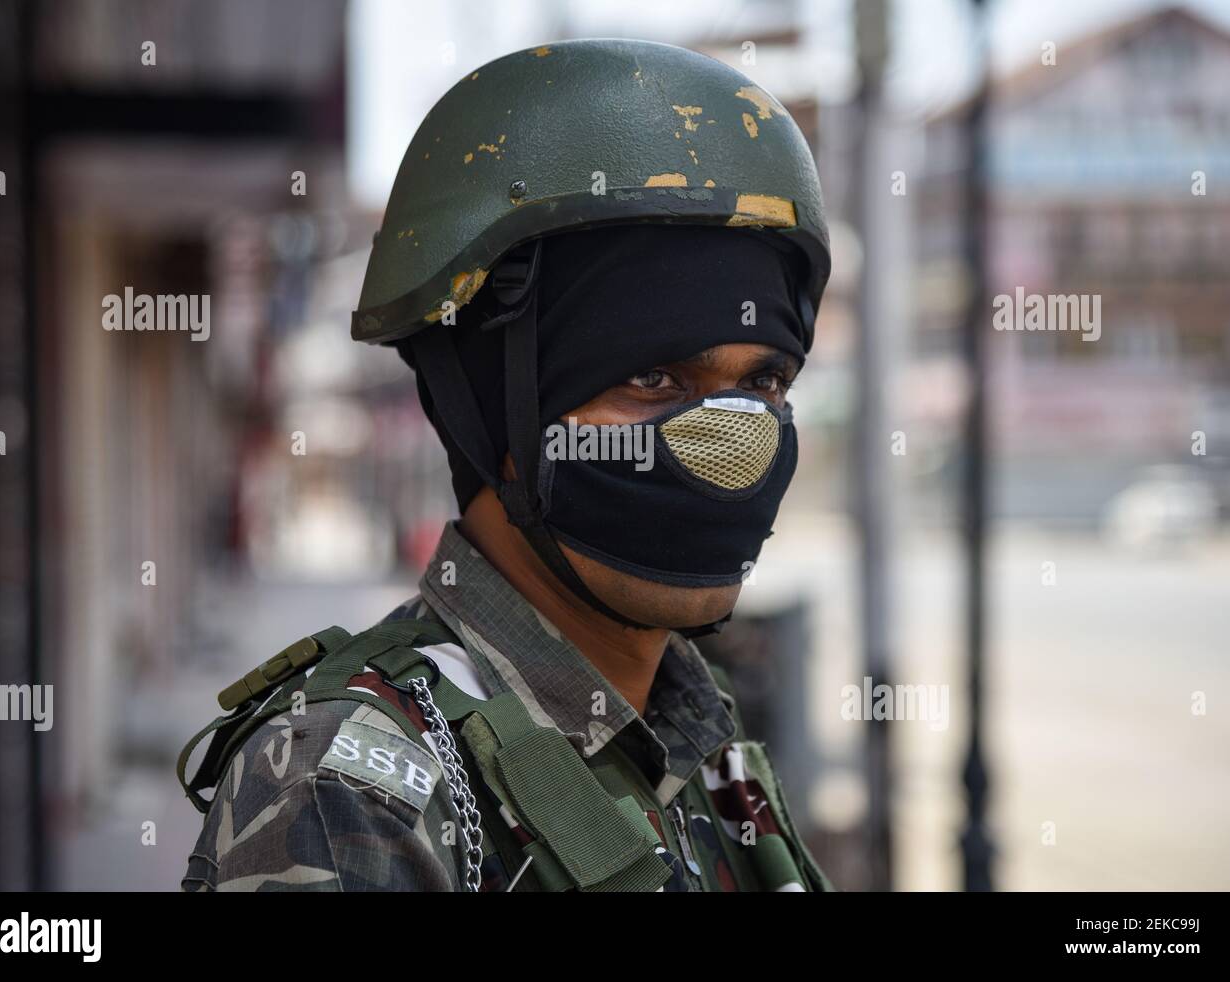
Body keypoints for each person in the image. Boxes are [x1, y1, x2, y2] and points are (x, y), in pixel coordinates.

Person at [178, 37, 834, 893]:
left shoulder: (697, 732)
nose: (733, 438)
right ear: (484, 408)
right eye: (652, 379)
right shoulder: (349, 791)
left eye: (765, 382)